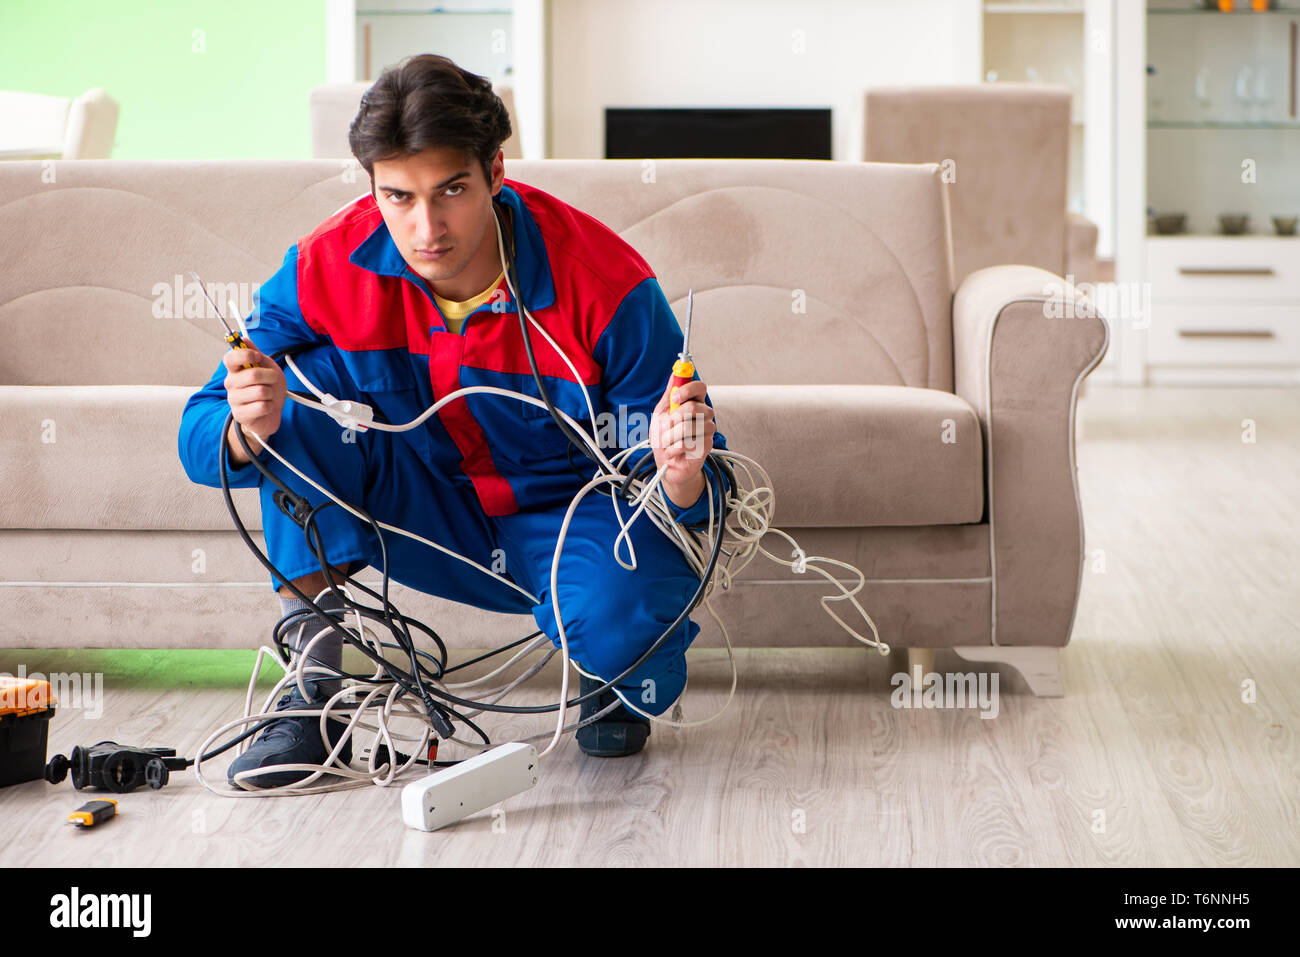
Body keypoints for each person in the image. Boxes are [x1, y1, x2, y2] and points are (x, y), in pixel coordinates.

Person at [177, 54, 730, 786]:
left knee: (621, 625)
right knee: (297, 405)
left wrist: (681, 473)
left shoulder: (605, 283)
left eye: (452, 191)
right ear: (372, 186)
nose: (425, 226)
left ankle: (607, 667)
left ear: (496, 171)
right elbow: (198, 432)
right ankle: (313, 700)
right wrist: (245, 426)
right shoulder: (326, 265)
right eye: (397, 197)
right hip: (425, 511)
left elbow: (710, 492)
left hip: (571, 520)